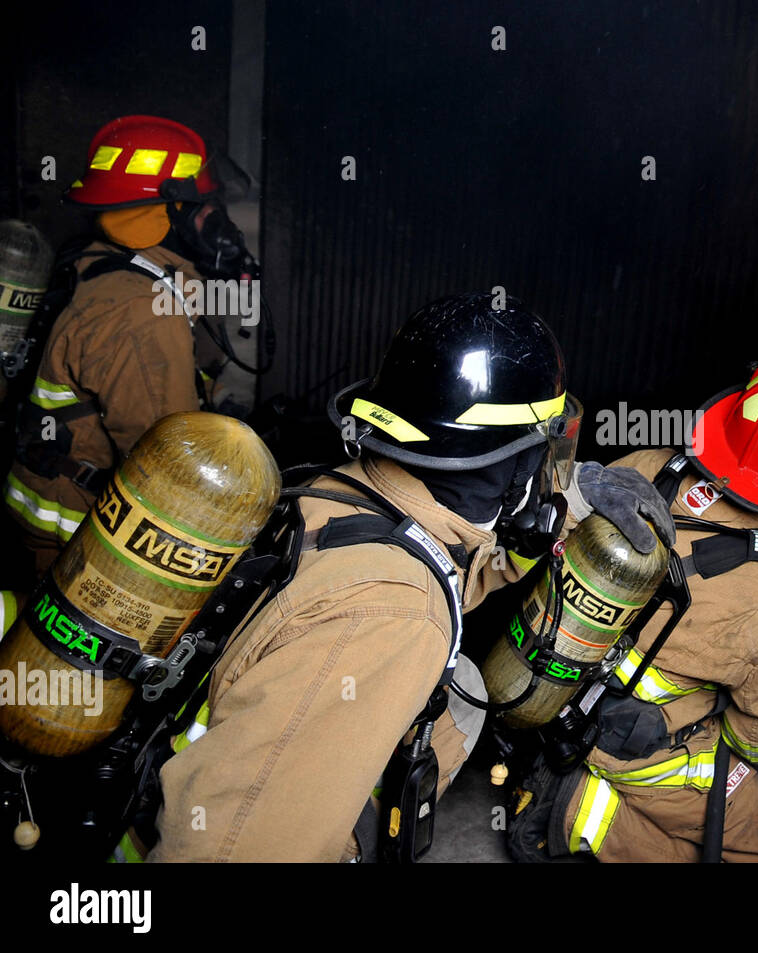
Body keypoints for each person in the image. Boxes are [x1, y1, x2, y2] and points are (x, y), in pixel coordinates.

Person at [144, 292, 674, 862]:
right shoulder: (394, 614)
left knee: (459, 695)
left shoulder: (350, 492)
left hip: (180, 741)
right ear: (513, 460)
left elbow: (455, 569)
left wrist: (567, 502)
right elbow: (228, 845)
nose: (548, 471)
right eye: (543, 453)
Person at [513, 351, 758, 862]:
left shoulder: (648, 466)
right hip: (632, 747)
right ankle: (572, 811)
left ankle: (566, 783)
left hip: (540, 686)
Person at [4, 115, 250, 577]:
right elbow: (168, 470)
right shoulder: (139, 313)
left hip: (40, 510)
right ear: (163, 213)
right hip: (76, 541)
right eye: (205, 206)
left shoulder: (106, 262)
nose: (215, 221)